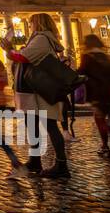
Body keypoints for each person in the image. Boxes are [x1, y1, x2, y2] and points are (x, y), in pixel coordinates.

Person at [5, 13, 70, 179]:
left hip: (40, 92)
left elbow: (23, 57)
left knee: (50, 126)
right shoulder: (38, 38)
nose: (29, 25)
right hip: (32, 92)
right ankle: (35, 160)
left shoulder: (41, 38)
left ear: (38, 23)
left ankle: (61, 164)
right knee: (32, 126)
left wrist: (9, 49)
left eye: (31, 22)